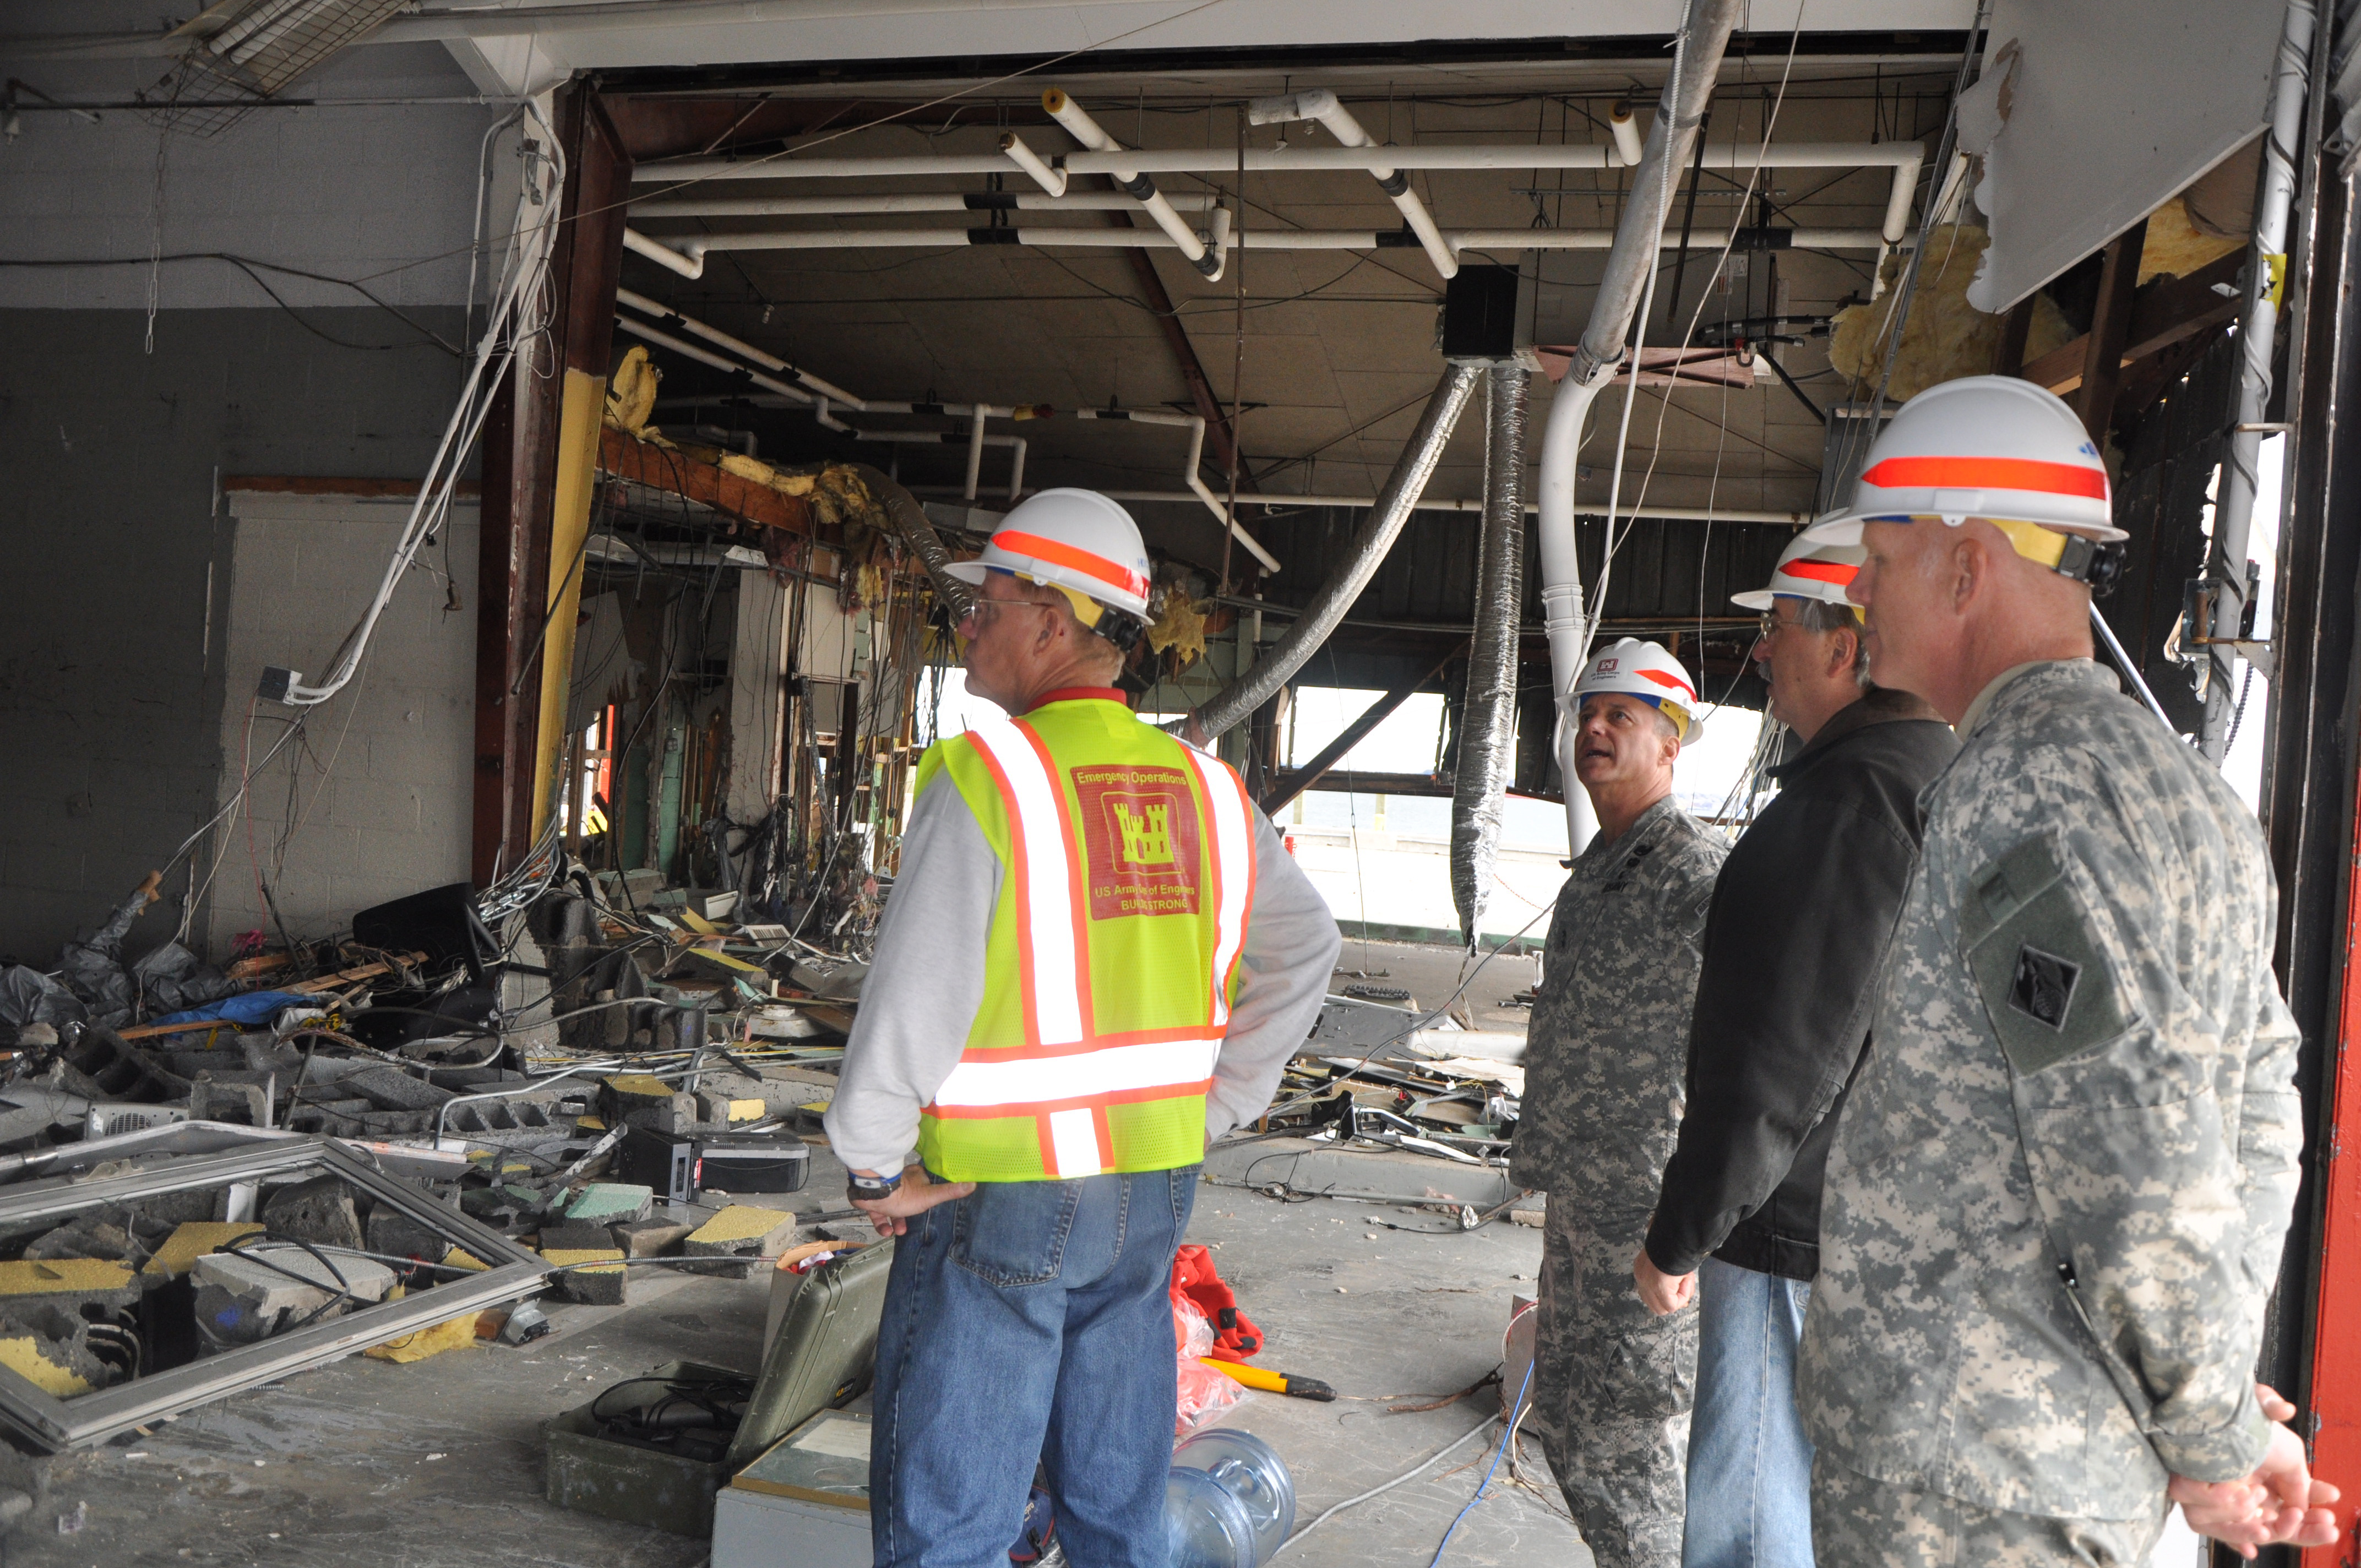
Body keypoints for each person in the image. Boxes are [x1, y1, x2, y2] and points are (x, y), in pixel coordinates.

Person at [1787, 374, 2337, 1564]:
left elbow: (2124, 1157)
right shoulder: (2189, 794)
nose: (1855, 591)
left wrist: (2211, 1430)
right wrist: (2214, 1398)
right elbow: (2254, 1107)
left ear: (1963, 567)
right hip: (2055, 1459)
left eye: (1878, 559)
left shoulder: (2022, 787)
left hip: (1968, 1480)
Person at [822, 489, 1341, 1568]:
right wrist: (1219, 1102)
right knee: (1117, 1513)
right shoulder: (1207, 789)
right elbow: (1305, 948)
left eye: (988, 605)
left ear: (1054, 623)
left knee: (951, 1527)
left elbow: (916, 993)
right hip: (1149, 1188)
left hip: (1000, 1195)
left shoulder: (991, 776)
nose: (967, 624)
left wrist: (871, 1169)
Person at [1629, 535, 1958, 1568]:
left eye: (1775, 628)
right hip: (1879, 1231)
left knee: (1754, 1525)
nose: (1760, 653)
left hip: (1795, 1236)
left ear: (1845, 646)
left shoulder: (1849, 805)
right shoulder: (1926, 777)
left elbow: (1780, 1057)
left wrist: (1681, 1231)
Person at [1513, 639, 1727, 1568]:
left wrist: (1696, 1219)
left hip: (1647, 1214)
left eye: (1622, 717)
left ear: (1670, 746)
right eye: (1587, 715)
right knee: (1564, 1419)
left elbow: (1752, 1052)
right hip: (1582, 1204)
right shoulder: (1596, 873)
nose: (1594, 729)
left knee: (1633, 1448)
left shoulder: (1697, 878)